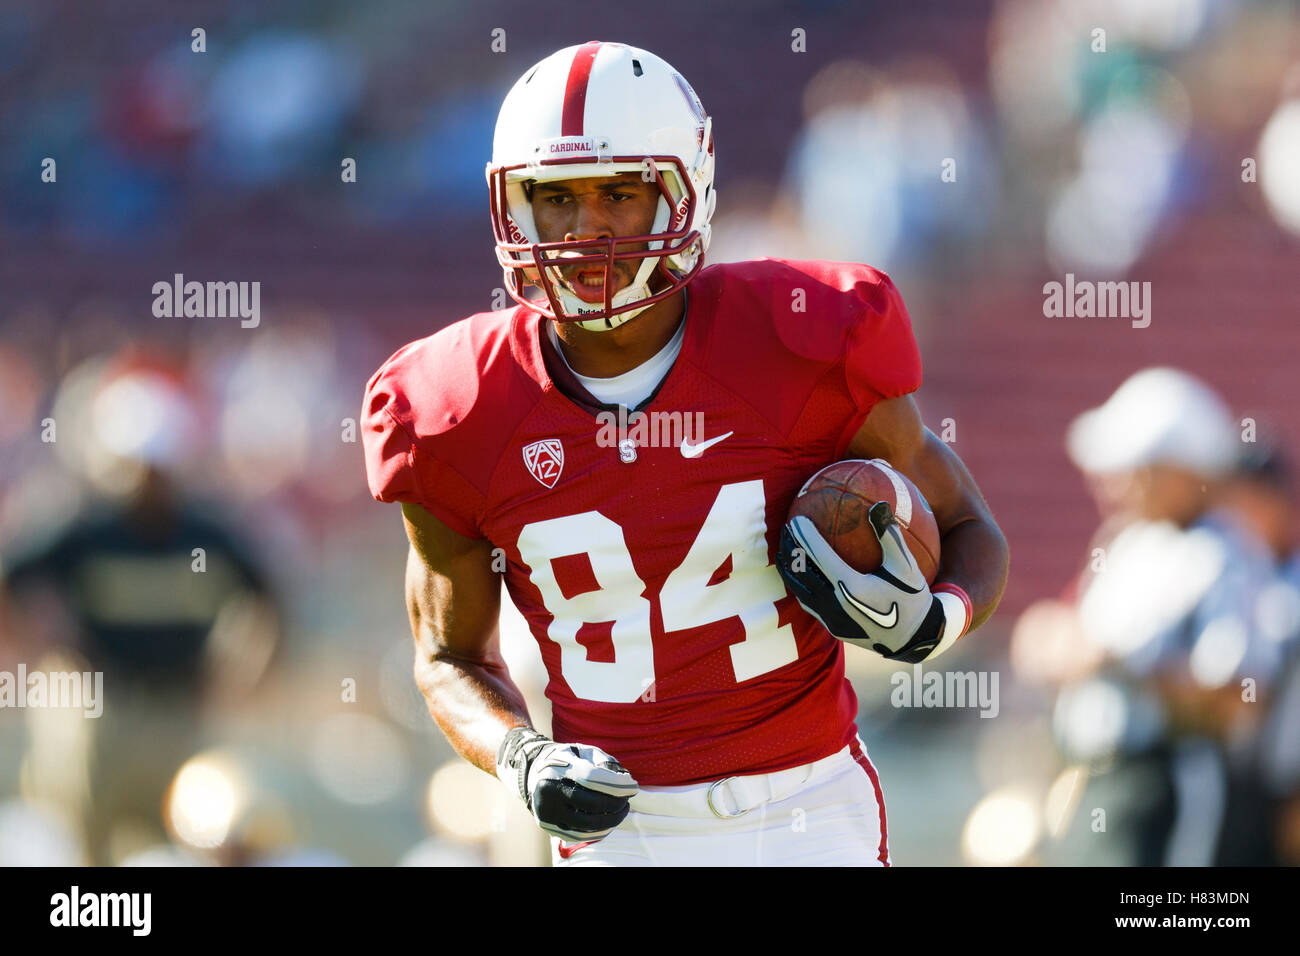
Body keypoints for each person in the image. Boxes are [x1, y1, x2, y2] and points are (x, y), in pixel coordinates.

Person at [361, 42, 1008, 866]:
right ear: (511, 207)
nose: (583, 227)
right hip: (620, 831)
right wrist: (522, 759)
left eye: (619, 193)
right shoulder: (456, 407)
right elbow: (449, 656)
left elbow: (968, 526)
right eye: (553, 196)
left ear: (685, 189)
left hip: (807, 805)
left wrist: (935, 620)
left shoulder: (799, 341)